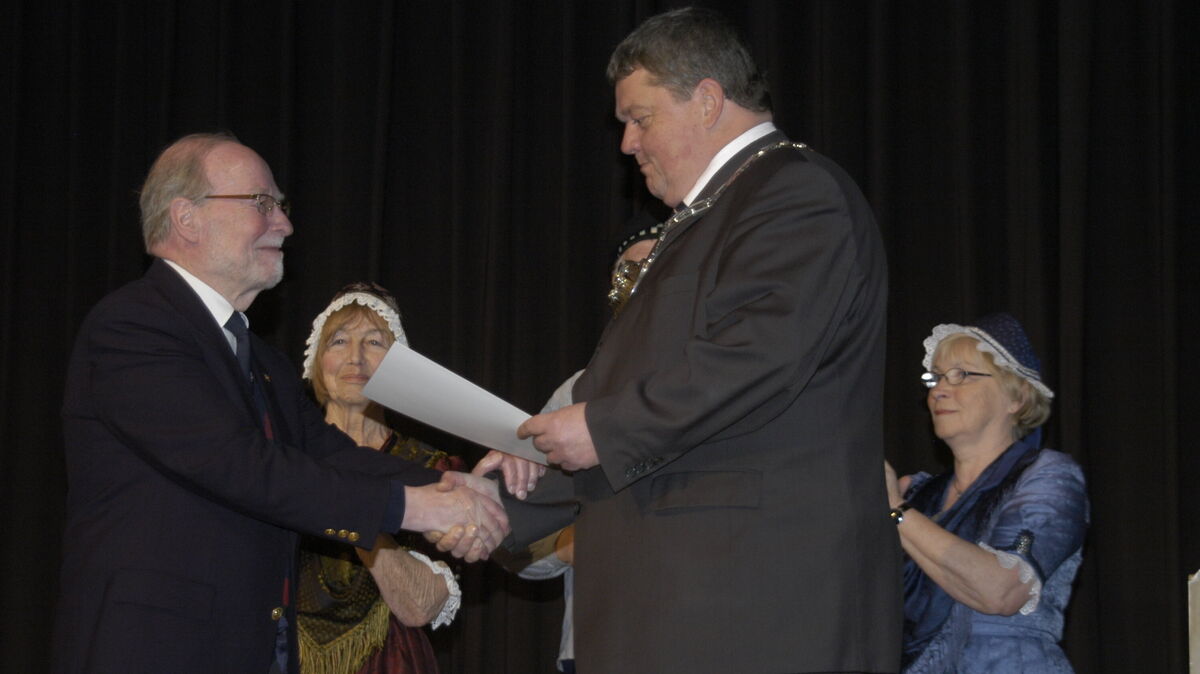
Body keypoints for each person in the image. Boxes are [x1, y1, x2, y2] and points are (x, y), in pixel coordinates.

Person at [472, 8, 903, 672]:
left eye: (639, 118)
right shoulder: (709, 219)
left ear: (705, 101)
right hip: (686, 610)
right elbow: (641, 394)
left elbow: (753, 358)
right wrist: (506, 488)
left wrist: (599, 428)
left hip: (749, 610)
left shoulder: (796, 193)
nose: (626, 144)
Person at [52, 132, 507, 674]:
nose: (285, 224)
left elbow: (327, 453)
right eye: (261, 204)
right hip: (157, 647)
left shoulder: (261, 358)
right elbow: (238, 464)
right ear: (186, 218)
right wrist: (418, 508)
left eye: (281, 206)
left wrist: (450, 486)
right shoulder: (133, 326)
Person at [884, 314, 1088, 672]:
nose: (938, 390)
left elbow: (1003, 591)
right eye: (936, 378)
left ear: (1017, 397)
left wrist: (896, 513)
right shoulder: (919, 493)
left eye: (962, 374)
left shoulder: (1049, 476)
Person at [508, 214, 662, 674]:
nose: (642, 284)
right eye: (629, 273)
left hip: (706, 636)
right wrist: (582, 543)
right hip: (597, 646)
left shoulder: (722, 380)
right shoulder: (575, 395)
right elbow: (519, 548)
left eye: (660, 268)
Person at [297, 282, 465, 674]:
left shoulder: (432, 470)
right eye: (338, 341)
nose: (355, 359)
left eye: (374, 343)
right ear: (317, 360)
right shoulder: (282, 458)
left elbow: (419, 607)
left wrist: (359, 504)